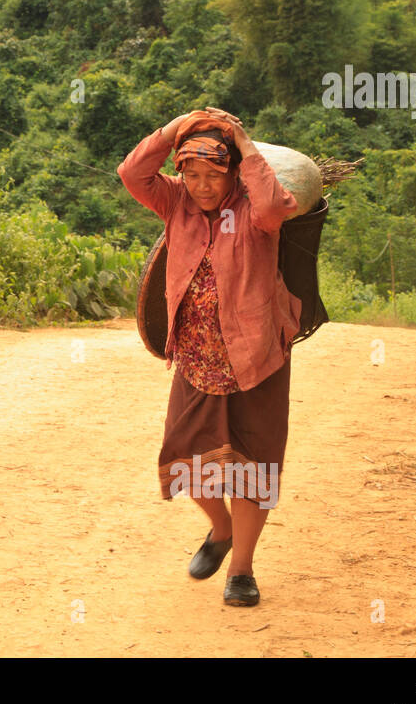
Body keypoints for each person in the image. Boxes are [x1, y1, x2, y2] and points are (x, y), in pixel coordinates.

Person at [117, 107, 301, 606]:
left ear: (232, 171)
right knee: (185, 461)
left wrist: (241, 141)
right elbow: (132, 173)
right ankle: (219, 530)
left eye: (212, 175)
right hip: (197, 359)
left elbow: (273, 205)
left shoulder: (254, 210)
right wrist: (176, 127)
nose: (200, 185)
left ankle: (241, 570)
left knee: (251, 468)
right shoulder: (173, 201)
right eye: (191, 173)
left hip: (256, 359)